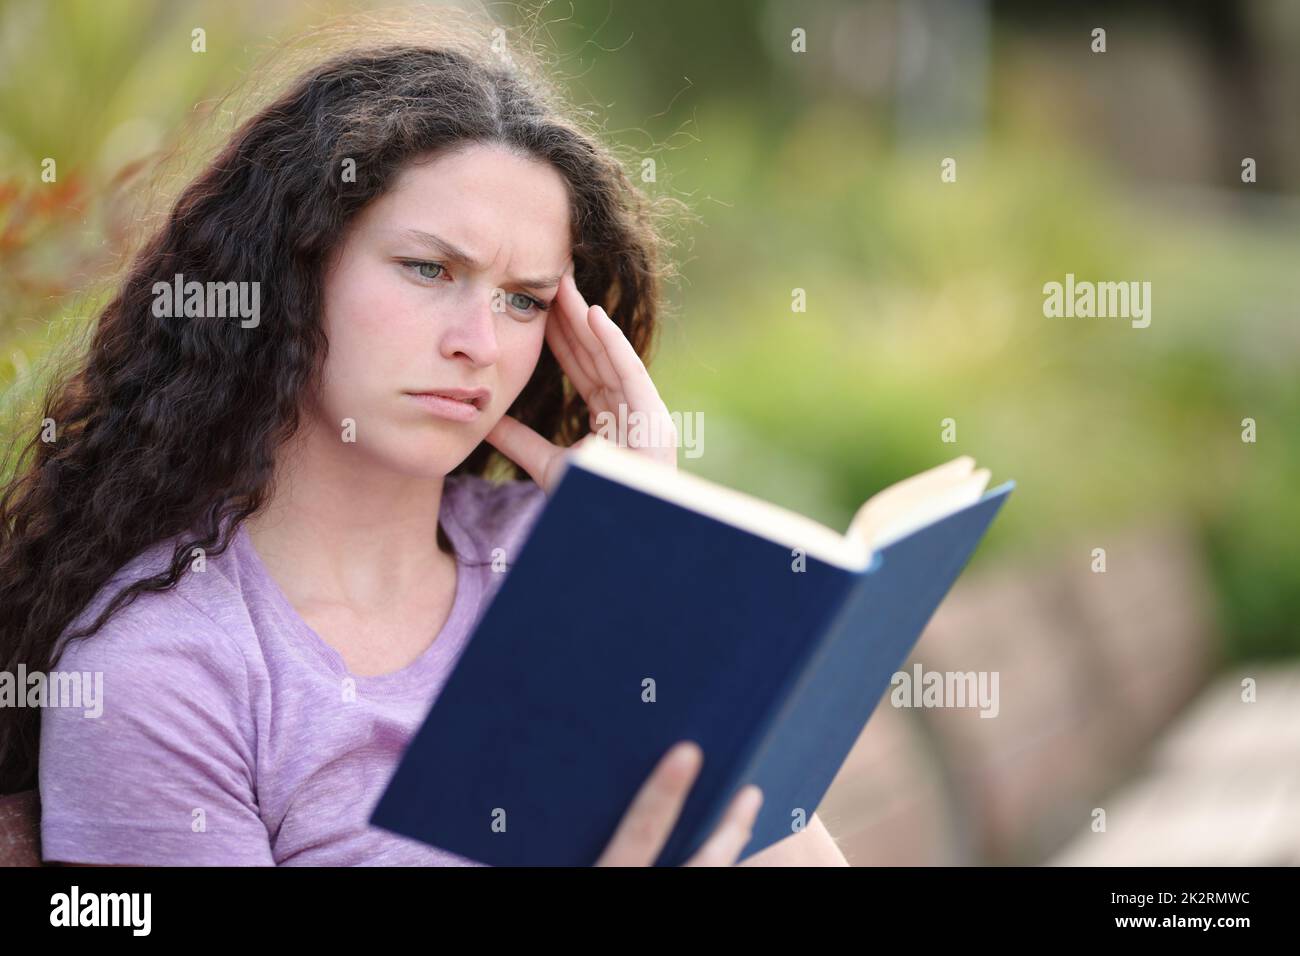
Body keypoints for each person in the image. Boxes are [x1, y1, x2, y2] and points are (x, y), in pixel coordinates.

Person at [0, 14, 847, 867]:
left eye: (522, 299)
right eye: (430, 270)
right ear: (293, 271)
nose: (478, 342)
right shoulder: (169, 672)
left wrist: (647, 548)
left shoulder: (560, 559)